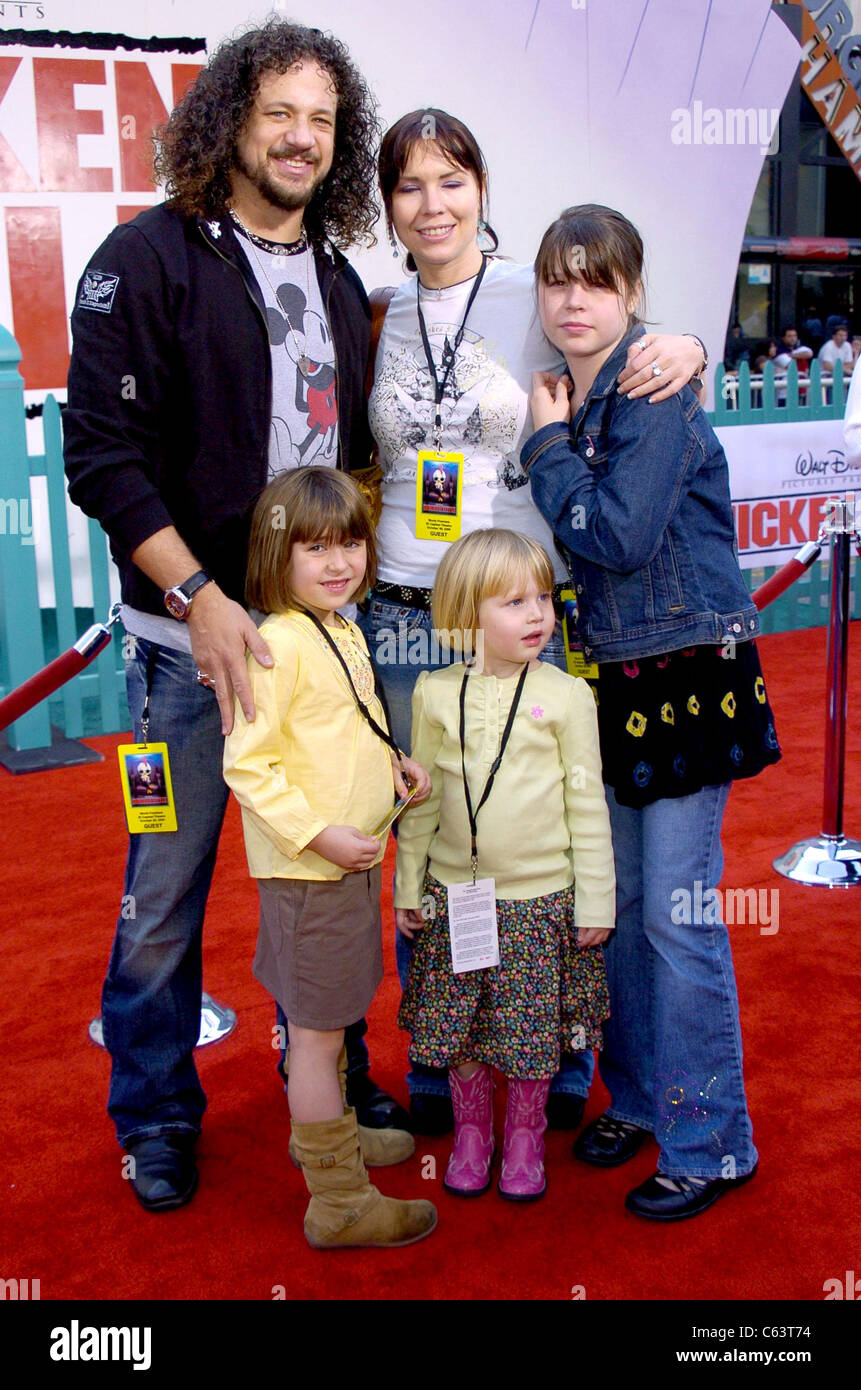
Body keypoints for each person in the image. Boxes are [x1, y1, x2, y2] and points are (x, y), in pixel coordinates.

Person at [63, 19, 407, 1213]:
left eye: (321, 117)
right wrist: (196, 595)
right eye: (279, 112)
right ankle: (154, 1112)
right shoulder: (143, 258)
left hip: (320, 663)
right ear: (229, 121)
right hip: (176, 664)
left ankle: (332, 1072)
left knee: (330, 873)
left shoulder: (339, 282)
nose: (301, 136)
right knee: (162, 892)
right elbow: (100, 458)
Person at [358, 107, 706, 1134]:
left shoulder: (530, 295)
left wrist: (680, 343)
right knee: (436, 833)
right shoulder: (374, 311)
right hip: (404, 617)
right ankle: (445, 1052)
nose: (433, 205)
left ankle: (553, 1056)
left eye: (451, 181)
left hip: (519, 608)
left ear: (482, 191)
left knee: (537, 839)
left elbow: (633, 337)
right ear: (387, 206)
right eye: (410, 186)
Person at [523, 204, 782, 1220]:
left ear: (631, 292)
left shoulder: (653, 388)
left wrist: (545, 446)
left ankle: (716, 1141)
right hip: (616, 682)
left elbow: (619, 533)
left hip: (686, 678)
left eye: (596, 279)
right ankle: (638, 1094)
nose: (574, 298)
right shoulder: (584, 393)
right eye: (558, 281)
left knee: (677, 918)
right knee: (623, 909)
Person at [222, 467, 436, 1249]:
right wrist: (317, 836)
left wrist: (393, 767)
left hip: (343, 861)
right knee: (315, 1033)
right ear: (276, 555)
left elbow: (343, 727)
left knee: (337, 1016)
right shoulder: (277, 642)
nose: (338, 562)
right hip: (311, 869)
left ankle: (332, 1133)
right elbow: (248, 764)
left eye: (350, 543)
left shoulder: (336, 624)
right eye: (315, 548)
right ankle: (339, 1200)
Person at [394, 528, 615, 1200]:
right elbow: (421, 803)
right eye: (514, 602)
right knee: (458, 1026)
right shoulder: (432, 694)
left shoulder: (568, 696)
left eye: (543, 598)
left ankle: (523, 1139)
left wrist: (596, 901)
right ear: (465, 616)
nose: (538, 615)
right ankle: (472, 1135)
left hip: (539, 901)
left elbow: (586, 806)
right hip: (455, 898)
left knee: (526, 1032)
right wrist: (408, 886)